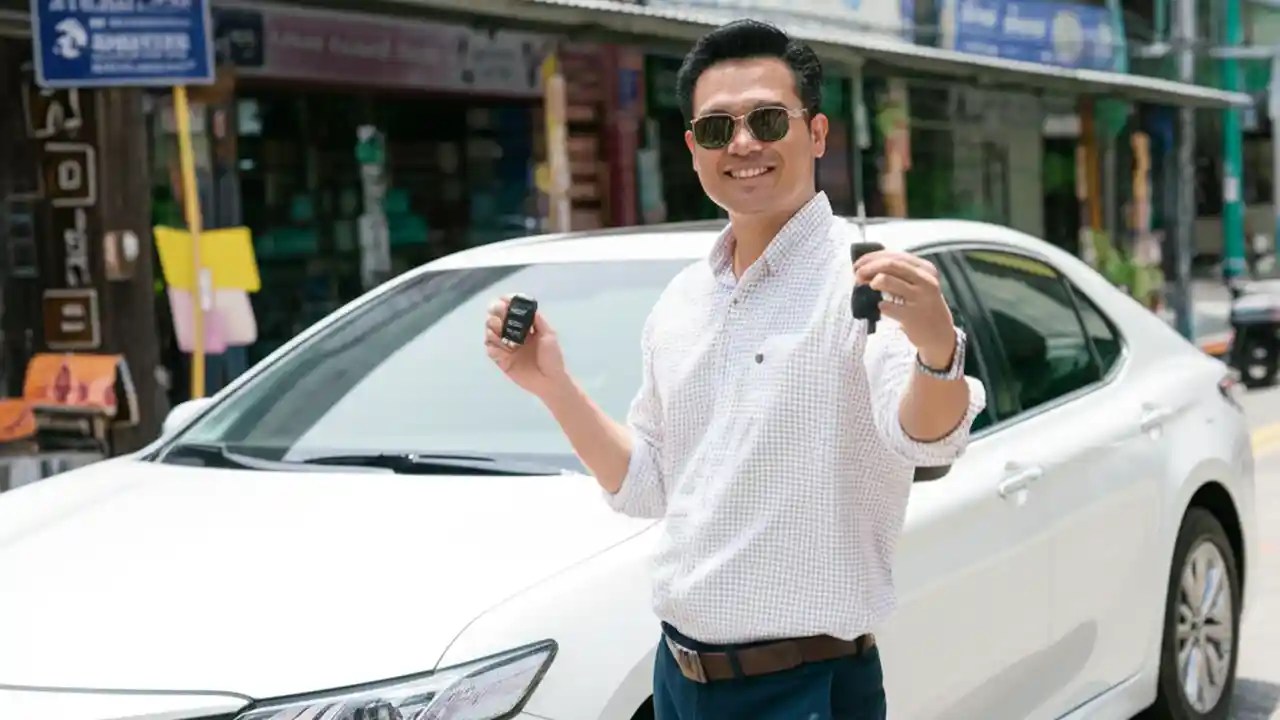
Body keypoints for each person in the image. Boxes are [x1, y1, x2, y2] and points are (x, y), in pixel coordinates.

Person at [483, 19, 987, 720]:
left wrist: (936, 350)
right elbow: (650, 483)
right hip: (678, 678)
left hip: (804, 687)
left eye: (767, 119)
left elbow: (927, 437)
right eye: (718, 129)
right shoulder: (684, 300)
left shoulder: (861, 281)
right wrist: (553, 387)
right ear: (693, 149)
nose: (743, 144)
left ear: (816, 134)